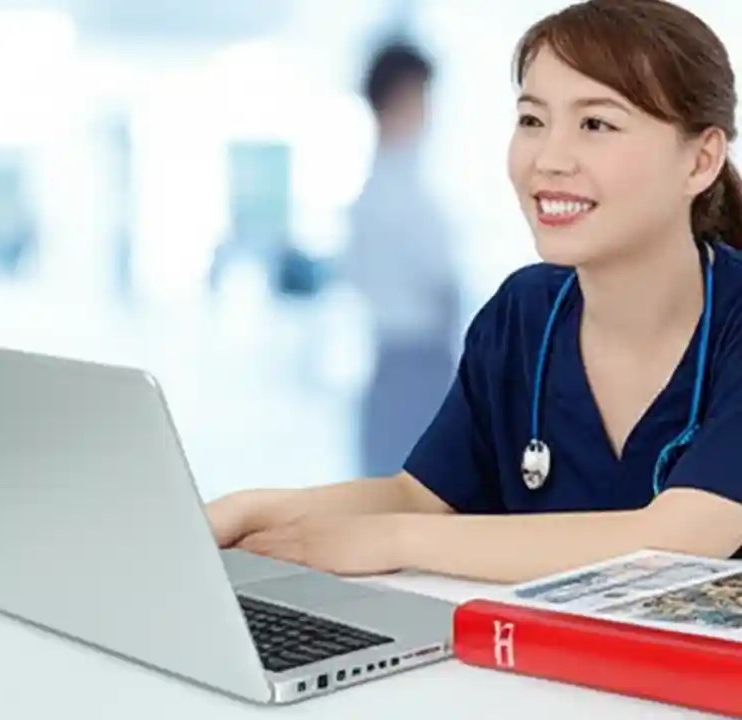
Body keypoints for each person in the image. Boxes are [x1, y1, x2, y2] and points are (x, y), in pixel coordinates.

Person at [206, 0, 742, 584]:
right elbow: (419, 496)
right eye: (532, 120)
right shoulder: (524, 314)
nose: (548, 159)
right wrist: (250, 510)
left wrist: (393, 540)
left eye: (596, 124)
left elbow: (679, 539)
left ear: (701, 161)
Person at [344, 41, 460, 478]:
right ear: (398, 100)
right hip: (412, 367)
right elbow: (438, 280)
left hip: (410, 365)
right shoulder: (390, 196)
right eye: (422, 97)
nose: (428, 112)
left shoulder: (397, 185)